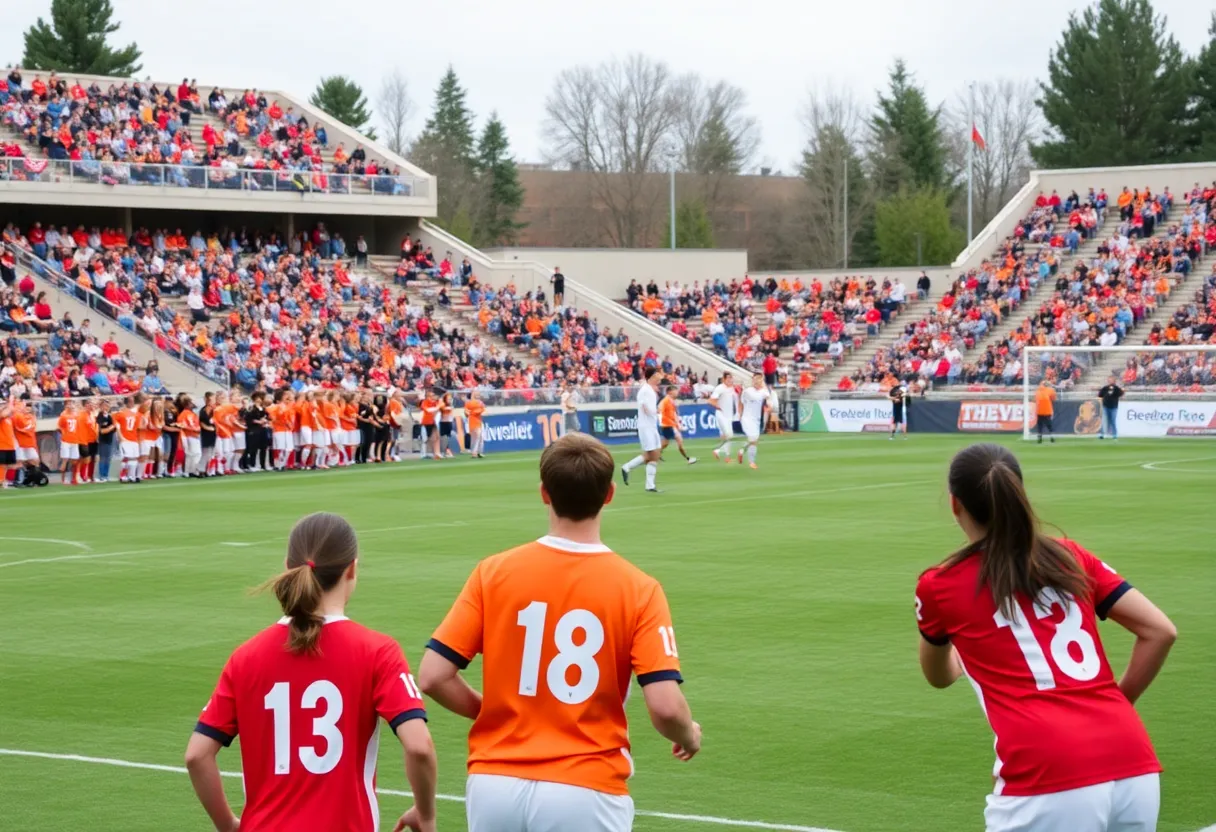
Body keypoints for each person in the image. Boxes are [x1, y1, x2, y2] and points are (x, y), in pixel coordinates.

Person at [418, 434, 700, 832]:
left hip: (494, 784)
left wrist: (496, 712)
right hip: (585, 785)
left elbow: (432, 675)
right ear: (609, 495)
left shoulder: (493, 572)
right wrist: (689, 736)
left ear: (544, 494)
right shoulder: (638, 588)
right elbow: (667, 708)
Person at [915, 443, 1175, 832]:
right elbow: (1160, 631)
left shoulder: (940, 585)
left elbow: (939, 675)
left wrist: (963, 655)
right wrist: (1118, 704)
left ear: (955, 505)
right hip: (1132, 762)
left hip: (1046, 774)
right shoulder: (1070, 556)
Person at [186, 512, 438, 832]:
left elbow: (197, 755)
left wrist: (228, 825)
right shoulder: (377, 651)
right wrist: (426, 814)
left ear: (287, 566)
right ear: (352, 569)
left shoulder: (245, 658)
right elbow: (419, 746)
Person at [621, 367, 664, 492]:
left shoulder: (650, 389)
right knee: (652, 454)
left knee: (655, 454)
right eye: (657, 375)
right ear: (652, 376)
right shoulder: (645, 390)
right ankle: (629, 468)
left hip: (651, 425)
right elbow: (644, 407)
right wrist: (656, 412)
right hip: (646, 426)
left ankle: (648, 484)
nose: (659, 377)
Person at [658, 385, 696, 464]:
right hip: (667, 425)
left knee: (669, 442)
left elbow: (674, 413)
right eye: (676, 391)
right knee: (668, 443)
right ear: (670, 392)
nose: (677, 392)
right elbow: (660, 408)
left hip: (671, 425)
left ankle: (688, 458)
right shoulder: (666, 400)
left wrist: (678, 424)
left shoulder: (671, 401)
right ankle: (688, 458)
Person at [738, 373, 768, 469]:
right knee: (753, 439)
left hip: (756, 420)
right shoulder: (748, 392)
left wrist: (769, 406)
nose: (758, 382)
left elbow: (768, 398)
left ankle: (742, 450)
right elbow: (741, 403)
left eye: (759, 380)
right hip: (747, 419)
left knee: (754, 440)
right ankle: (751, 462)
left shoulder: (762, 392)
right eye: (756, 380)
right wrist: (740, 414)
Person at [709, 372, 739, 464]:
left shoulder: (733, 388)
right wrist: (718, 407)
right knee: (729, 435)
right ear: (724, 379)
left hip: (729, 415)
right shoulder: (720, 388)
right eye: (728, 378)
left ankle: (727, 457)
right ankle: (718, 450)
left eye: (731, 378)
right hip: (721, 414)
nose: (730, 380)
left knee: (727, 436)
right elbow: (711, 400)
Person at [116, 395, 146, 483]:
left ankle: (131, 476)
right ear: (128, 403)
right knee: (128, 457)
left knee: (133, 458)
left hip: (133, 438)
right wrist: (120, 437)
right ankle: (124, 476)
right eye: (131, 401)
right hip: (126, 438)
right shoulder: (125, 413)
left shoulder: (122, 413)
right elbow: (117, 426)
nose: (132, 403)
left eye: (133, 401)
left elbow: (139, 427)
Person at [57, 400, 84, 485]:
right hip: (66, 440)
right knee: (65, 460)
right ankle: (63, 480)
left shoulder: (76, 415)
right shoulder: (63, 416)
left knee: (74, 460)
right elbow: (59, 427)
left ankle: (73, 478)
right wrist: (65, 434)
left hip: (75, 440)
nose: (71, 406)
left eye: (72, 404)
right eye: (68, 404)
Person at [176, 396, 202, 477]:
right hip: (190, 435)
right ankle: (193, 470)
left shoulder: (188, 414)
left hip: (190, 435)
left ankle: (188, 471)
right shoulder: (187, 414)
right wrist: (196, 429)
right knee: (196, 453)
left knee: (190, 454)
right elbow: (188, 426)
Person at [1098, 375, 1124, 441]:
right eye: (1109, 380)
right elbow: (1100, 395)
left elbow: (1121, 394)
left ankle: (1114, 435)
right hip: (1105, 406)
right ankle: (1102, 434)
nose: (1110, 381)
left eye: (1112, 380)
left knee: (1113, 421)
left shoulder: (1117, 388)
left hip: (1114, 407)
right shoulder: (1105, 388)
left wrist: (1121, 390)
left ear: (1114, 381)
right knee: (1104, 421)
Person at [95, 400, 115, 483]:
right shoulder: (100, 417)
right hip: (103, 440)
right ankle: (101, 475)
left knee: (108, 458)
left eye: (107, 406)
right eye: (104, 406)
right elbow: (101, 430)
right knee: (103, 458)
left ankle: (106, 475)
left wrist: (111, 428)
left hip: (110, 439)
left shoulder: (110, 417)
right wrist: (110, 427)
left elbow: (115, 428)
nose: (106, 407)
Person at [464, 390, 486, 458]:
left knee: (480, 436)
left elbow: (482, 410)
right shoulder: (468, 403)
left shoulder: (480, 403)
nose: (477, 396)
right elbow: (466, 413)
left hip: (478, 421)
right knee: (475, 437)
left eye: (478, 395)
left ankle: (479, 452)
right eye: (476, 394)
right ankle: (474, 452)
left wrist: (474, 412)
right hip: (472, 421)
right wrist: (472, 413)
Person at [1035, 379, 1057, 444]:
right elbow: (1054, 398)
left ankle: (1039, 438)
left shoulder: (1038, 390)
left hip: (1039, 410)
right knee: (1049, 425)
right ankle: (1052, 437)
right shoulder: (1050, 390)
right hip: (1047, 410)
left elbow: (1036, 399)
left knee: (1040, 425)